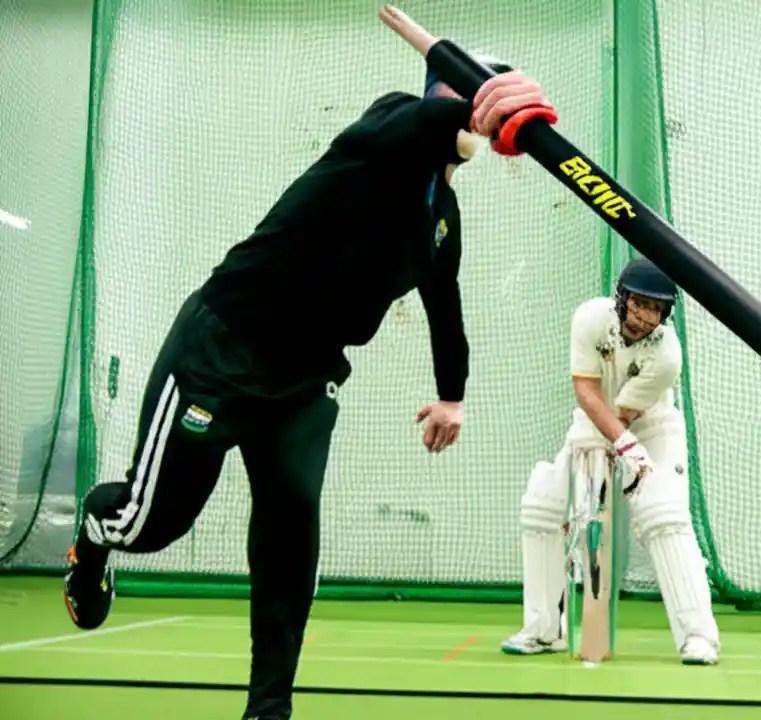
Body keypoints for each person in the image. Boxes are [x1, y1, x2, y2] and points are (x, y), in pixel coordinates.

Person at [61, 54, 556, 719]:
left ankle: (269, 709)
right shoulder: (381, 131)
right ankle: (93, 542)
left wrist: (452, 396)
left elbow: (446, 308)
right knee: (151, 523)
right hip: (219, 353)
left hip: (303, 382)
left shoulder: (441, 219)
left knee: (292, 538)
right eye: (470, 99)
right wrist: (474, 108)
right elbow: (420, 121)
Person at [500, 257, 721, 665]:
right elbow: (586, 390)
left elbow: (624, 414)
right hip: (594, 417)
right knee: (542, 504)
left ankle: (698, 637)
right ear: (621, 298)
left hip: (652, 428)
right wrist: (617, 445)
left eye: (656, 309)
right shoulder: (589, 319)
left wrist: (628, 451)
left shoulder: (667, 354)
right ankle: (544, 628)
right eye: (639, 304)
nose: (645, 317)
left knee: (664, 514)